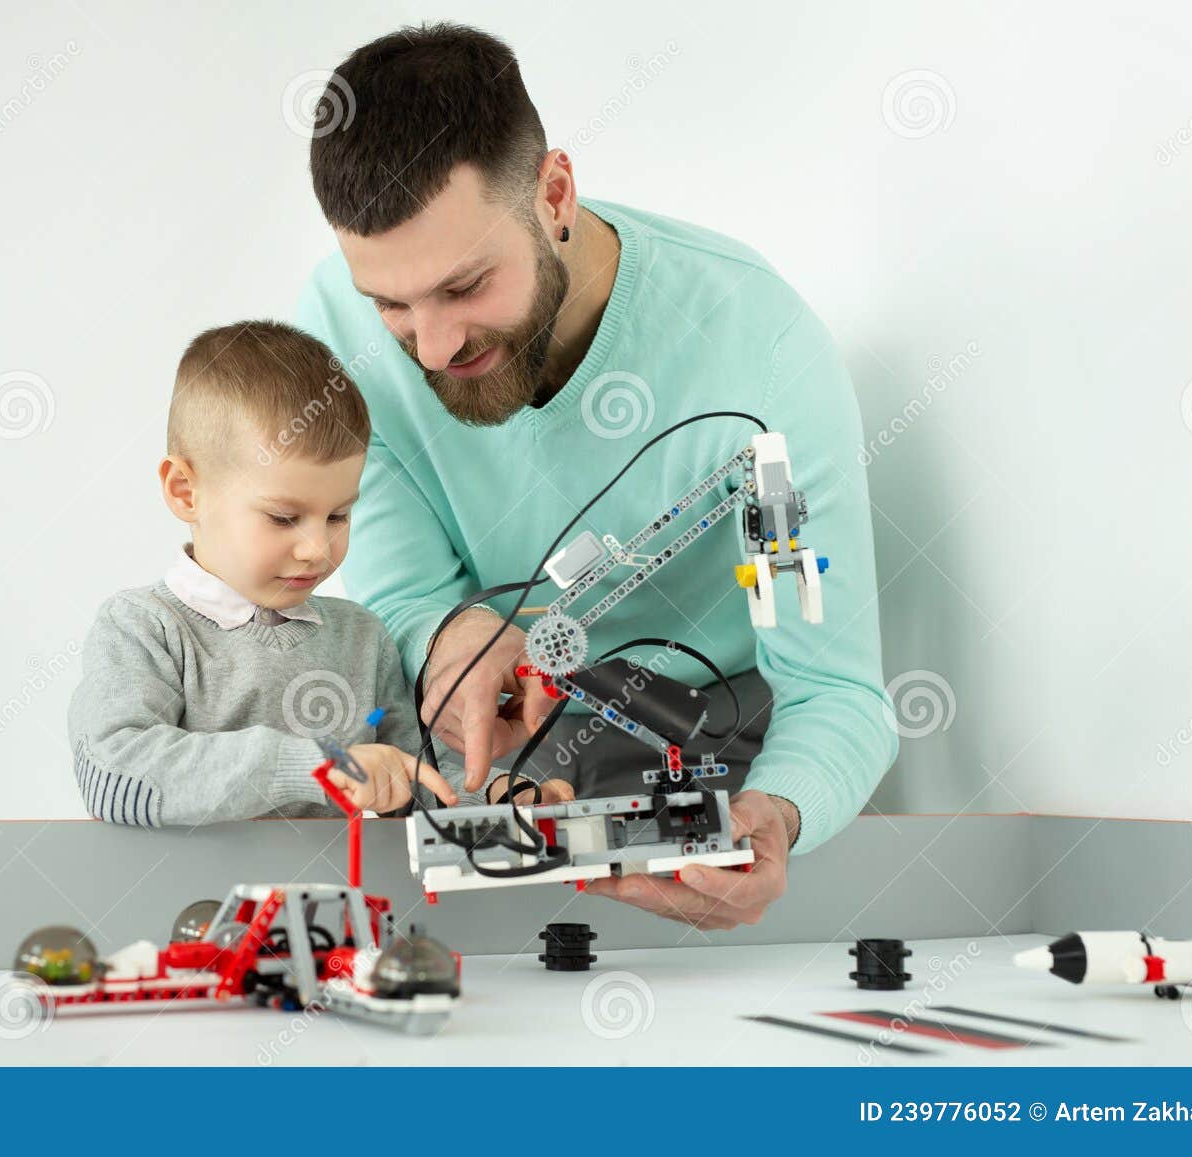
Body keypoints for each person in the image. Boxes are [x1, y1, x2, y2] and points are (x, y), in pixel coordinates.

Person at [294, 24, 898, 928]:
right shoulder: (335, 326)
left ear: (554, 194)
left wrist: (780, 814)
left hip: (718, 765)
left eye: (464, 287)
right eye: (391, 304)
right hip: (500, 753)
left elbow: (836, 693)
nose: (432, 344)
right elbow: (410, 601)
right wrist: (451, 639)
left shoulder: (764, 358)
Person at [66, 320, 485, 827]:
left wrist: (502, 798)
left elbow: (419, 781)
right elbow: (114, 776)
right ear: (185, 492)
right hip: (188, 906)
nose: (315, 549)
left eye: (337, 516)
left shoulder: (361, 638)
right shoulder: (143, 628)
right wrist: (312, 767)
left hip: (336, 905)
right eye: (283, 518)